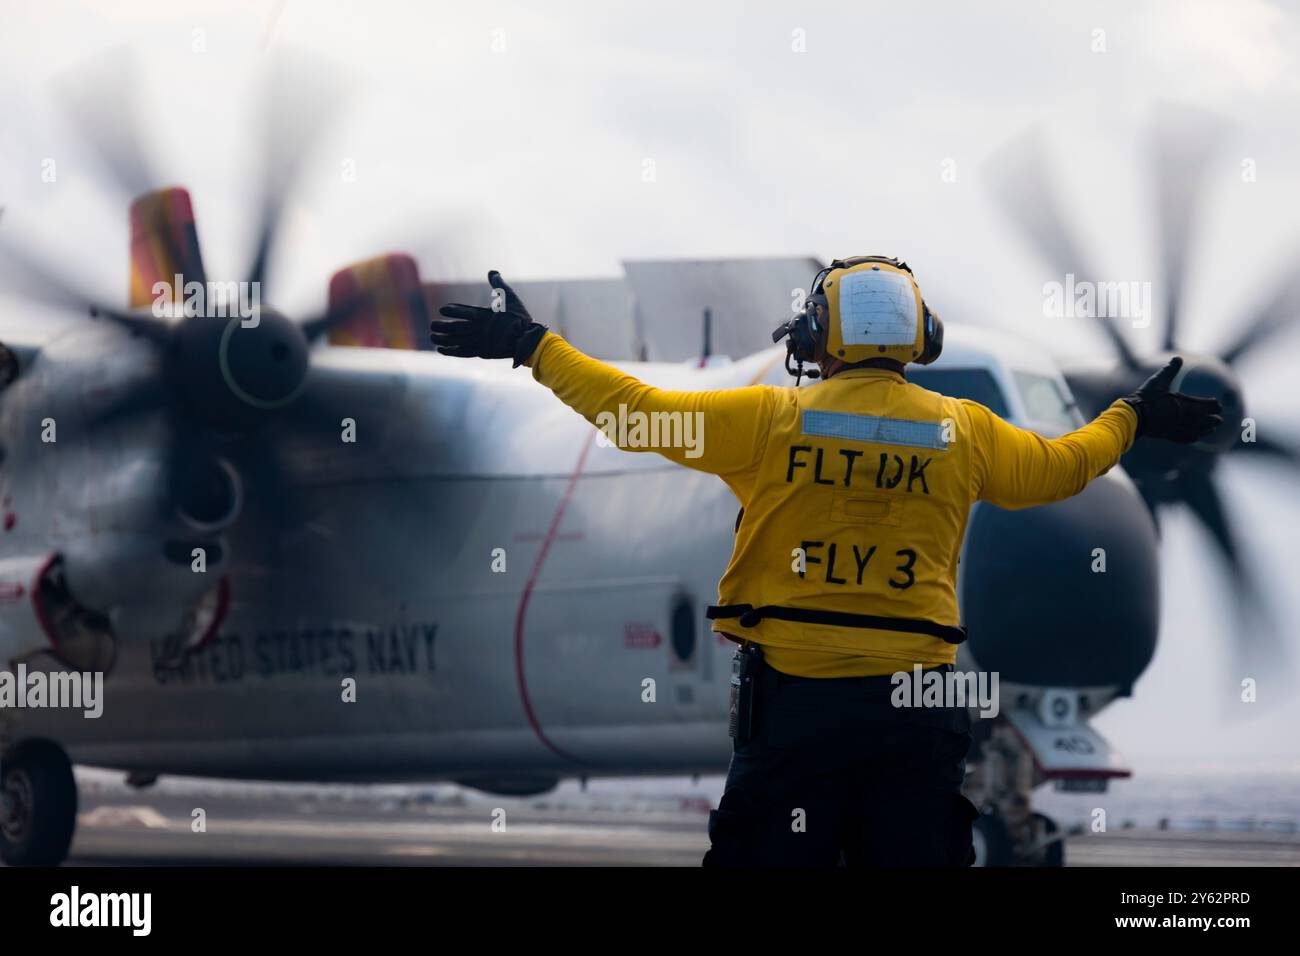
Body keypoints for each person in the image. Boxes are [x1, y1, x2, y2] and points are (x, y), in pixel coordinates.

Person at [430, 260, 1223, 867]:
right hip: (919, 705)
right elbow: (1064, 467)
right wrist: (1131, 417)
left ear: (816, 340)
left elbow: (632, 415)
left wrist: (533, 347)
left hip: (799, 704)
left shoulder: (768, 421)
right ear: (923, 340)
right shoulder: (967, 433)